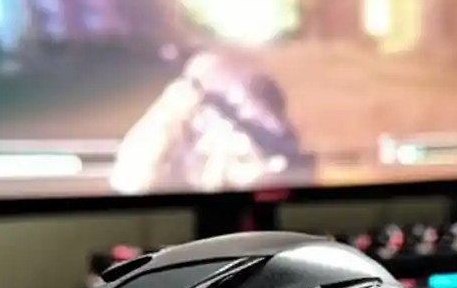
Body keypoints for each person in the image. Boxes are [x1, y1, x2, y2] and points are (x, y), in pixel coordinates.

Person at [110, 49, 310, 196]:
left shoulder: (269, 146)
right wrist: (169, 112)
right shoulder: (173, 124)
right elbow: (130, 181)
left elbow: (276, 178)